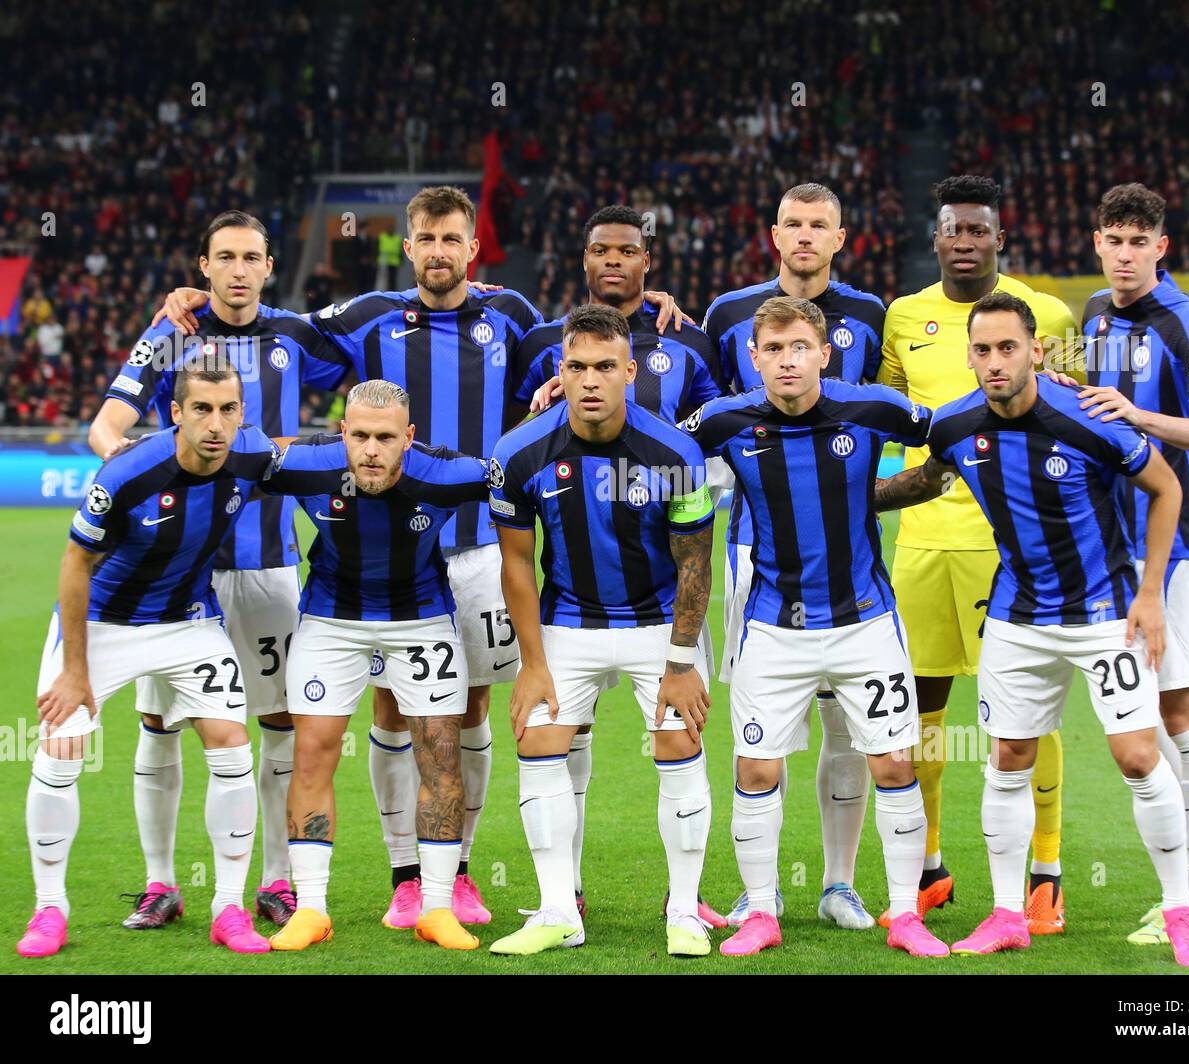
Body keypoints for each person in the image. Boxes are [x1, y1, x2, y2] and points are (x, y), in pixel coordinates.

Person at [155, 187, 690, 929]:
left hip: (474, 546)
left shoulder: (512, 317)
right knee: (391, 712)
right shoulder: (366, 316)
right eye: (426, 238)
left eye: (452, 239)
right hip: (383, 551)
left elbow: (588, 343)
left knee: (467, 712)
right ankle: (407, 874)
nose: (439, 251)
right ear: (408, 247)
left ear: (474, 248)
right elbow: (267, 321)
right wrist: (199, 297)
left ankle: (458, 873)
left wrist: (640, 299)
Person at [878, 291, 1189, 968]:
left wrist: (1151, 595)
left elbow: (1167, 489)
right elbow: (928, 480)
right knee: (1006, 760)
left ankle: (1183, 910)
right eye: (982, 350)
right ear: (969, 356)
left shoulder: (1088, 419)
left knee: (1137, 758)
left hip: (1102, 615)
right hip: (1017, 618)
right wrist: (849, 497)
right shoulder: (953, 426)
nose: (995, 361)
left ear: (1036, 350)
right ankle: (1008, 916)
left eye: (1008, 347)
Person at [89, 210, 348, 930]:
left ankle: (275, 880)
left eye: (251, 258)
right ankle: (160, 882)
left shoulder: (297, 335)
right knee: (158, 722)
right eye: (224, 257)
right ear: (203, 266)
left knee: (275, 722)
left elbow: (388, 347)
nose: (238, 270)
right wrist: (133, 467)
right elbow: (105, 426)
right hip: (175, 577)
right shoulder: (170, 332)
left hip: (267, 565)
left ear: (271, 266)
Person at [684, 296, 949, 959]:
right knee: (756, 765)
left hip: (865, 623)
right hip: (771, 626)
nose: (787, 360)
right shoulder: (724, 421)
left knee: (891, 760)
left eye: (800, 346)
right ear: (754, 359)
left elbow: (953, 430)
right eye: (772, 349)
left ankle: (903, 915)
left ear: (824, 354)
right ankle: (761, 914)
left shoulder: (871, 409)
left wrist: (917, 484)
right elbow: (654, 446)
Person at [19, 360, 282, 958]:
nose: (215, 424)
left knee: (232, 746)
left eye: (228, 410)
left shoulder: (249, 456)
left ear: (241, 413)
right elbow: (74, 565)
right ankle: (49, 909)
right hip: (102, 624)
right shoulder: (128, 474)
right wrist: (76, 670)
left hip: (188, 621)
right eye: (201, 409)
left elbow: (304, 453)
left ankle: (229, 908)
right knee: (62, 751)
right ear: (175, 413)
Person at [512, 203, 725, 926]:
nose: (592, 380)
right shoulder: (522, 454)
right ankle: (554, 914)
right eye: (578, 367)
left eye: (607, 367)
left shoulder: (674, 453)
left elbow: (696, 566)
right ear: (558, 372)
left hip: (656, 623)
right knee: (538, 737)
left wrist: (680, 661)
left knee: (677, 738)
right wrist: (534, 664)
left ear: (631, 370)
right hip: (567, 622)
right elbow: (517, 567)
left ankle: (685, 912)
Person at [875, 175, 1078, 933]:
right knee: (920, 713)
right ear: (935, 239)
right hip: (923, 543)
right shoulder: (905, 316)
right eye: (953, 231)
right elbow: (892, 417)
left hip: (1015, 549)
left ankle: (1047, 872)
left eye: (979, 230)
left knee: (1027, 717)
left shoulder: (1047, 314)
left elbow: (1075, 415)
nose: (965, 242)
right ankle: (931, 865)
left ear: (1000, 237)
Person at [702, 183, 888, 931]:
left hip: (847, 550)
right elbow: (704, 415)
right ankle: (760, 889)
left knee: (848, 725)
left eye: (820, 226)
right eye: (794, 224)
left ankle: (839, 883)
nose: (806, 236)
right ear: (773, 234)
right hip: (755, 548)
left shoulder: (872, 317)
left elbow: (886, 409)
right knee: (762, 729)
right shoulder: (725, 314)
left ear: (841, 238)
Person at [257, 379, 492, 952]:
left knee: (440, 756)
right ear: (342, 433)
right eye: (358, 435)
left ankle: (435, 907)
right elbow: (228, 451)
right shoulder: (308, 465)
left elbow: (517, 469)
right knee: (310, 754)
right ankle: (311, 908)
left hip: (422, 621)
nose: (369, 450)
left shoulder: (445, 472)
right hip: (331, 621)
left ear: (408, 438)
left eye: (384, 438)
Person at [1065, 184, 1189, 944]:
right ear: (1096, 242)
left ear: (1160, 248)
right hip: (1118, 547)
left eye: (1141, 241)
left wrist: (1140, 416)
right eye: (1115, 238)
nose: (1126, 253)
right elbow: (1087, 404)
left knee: (1184, 711)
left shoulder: (1186, 318)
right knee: (1145, 712)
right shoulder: (1095, 314)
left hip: (1185, 544)